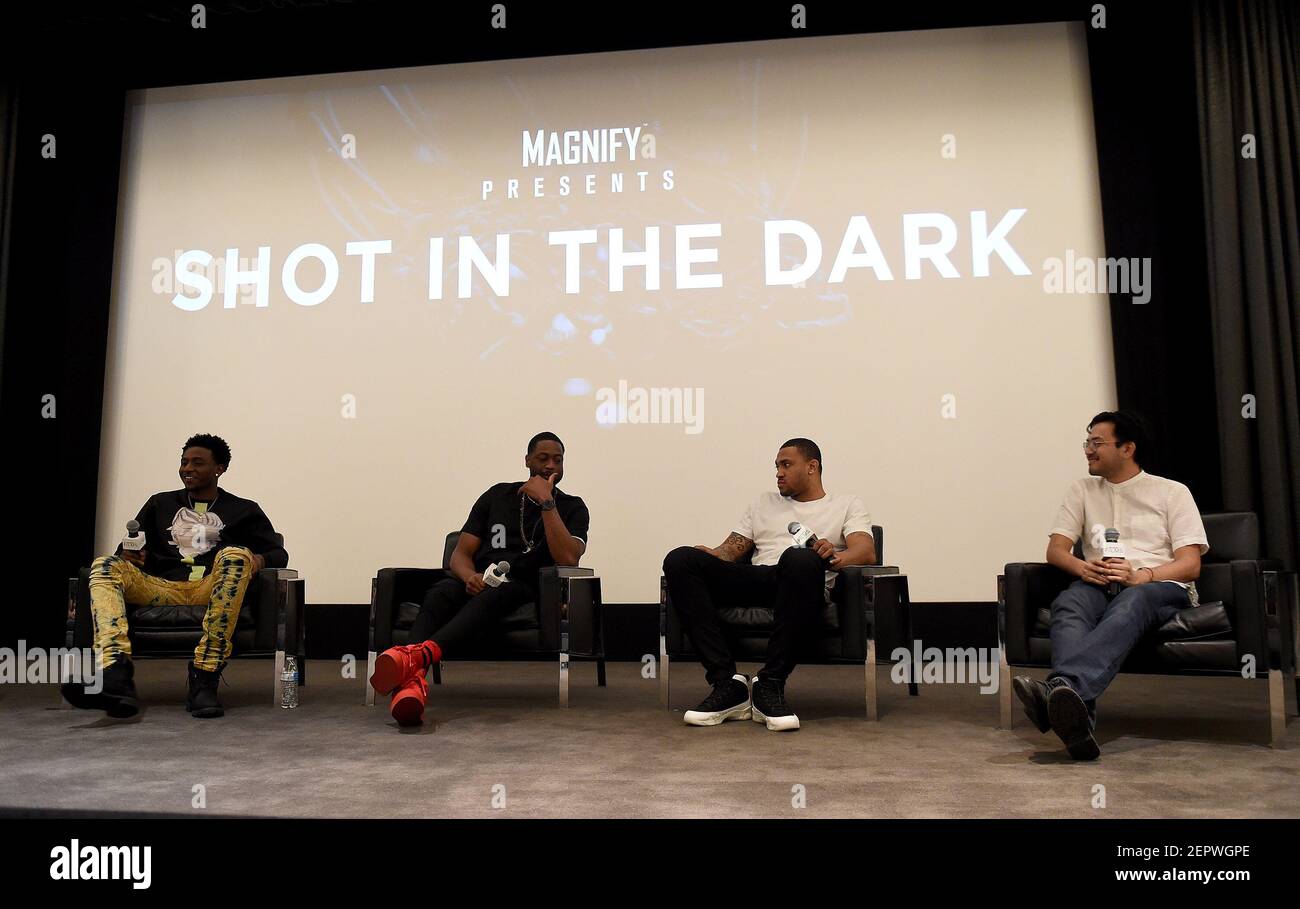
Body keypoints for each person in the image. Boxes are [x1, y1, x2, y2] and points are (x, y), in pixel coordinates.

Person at [1013, 410, 1208, 759]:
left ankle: (1061, 689)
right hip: (1097, 581)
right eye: (1087, 442)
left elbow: (1190, 564)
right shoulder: (1082, 490)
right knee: (1069, 604)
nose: (1088, 449)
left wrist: (1142, 576)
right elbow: (1056, 550)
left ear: (1127, 448)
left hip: (1157, 585)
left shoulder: (1171, 492)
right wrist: (1082, 567)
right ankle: (1076, 722)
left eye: (1097, 442)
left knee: (1131, 602)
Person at [368, 432, 590, 726]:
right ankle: (413, 683)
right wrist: (468, 575)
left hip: (526, 586)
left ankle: (413, 660)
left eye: (558, 460)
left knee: (498, 594)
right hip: (477, 578)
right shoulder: (496, 496)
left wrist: (547, 503)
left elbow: (568, 558)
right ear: (527, 461)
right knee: (440, 592)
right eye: (543, 458)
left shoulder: (573, 507)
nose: (551, 465)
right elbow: (459, 554)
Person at [62, 433, 288, 719]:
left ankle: (205, 675)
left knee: (236, 555)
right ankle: (115, 672)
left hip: (211, 588)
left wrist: (257, 559)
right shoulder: (160, 503)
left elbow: (278, 554)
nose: (187, 469)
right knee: (105, 565)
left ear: (219, 468)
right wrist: (130, 556)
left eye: (197, 463)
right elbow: (127, 549)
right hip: (161, 587)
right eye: (183, 462)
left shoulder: (244, 510)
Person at [662, 438, 875, 731]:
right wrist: (710, 555)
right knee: (679, 559)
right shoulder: (763, 502)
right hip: (759, 578)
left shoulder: (846, 504)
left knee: (799, 558)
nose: (778, 472)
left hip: (802, 583)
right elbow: (730, 551)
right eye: (776, 466)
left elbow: (865, 550)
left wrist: (835, 557)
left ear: (812, 467)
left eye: (786, 464)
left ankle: (770, 684)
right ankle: (727, 685)